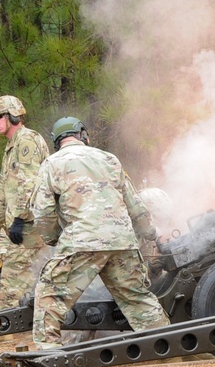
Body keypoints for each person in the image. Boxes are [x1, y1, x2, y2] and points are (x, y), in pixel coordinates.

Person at [29, 116, 170, 350]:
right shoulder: (109, 159)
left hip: (82, 241)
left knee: (50, 294)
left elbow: (43, 213)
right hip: (123, 242)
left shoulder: (51, 164)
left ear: (57, 141)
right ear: (83, 135)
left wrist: (54, 239)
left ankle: (48, 352)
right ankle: (168, 346)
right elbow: (135, 205)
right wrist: (151, 233)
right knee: (137, 298)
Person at [0, 95, 50, 312]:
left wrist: (20, 218)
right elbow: (1, 193)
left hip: (29, 230)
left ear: (13, 116)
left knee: (11, 290)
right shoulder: (12, 146)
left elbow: (30, 183)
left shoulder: (27, 141)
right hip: (18, 230)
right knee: (23, 287)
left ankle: (4, 326)